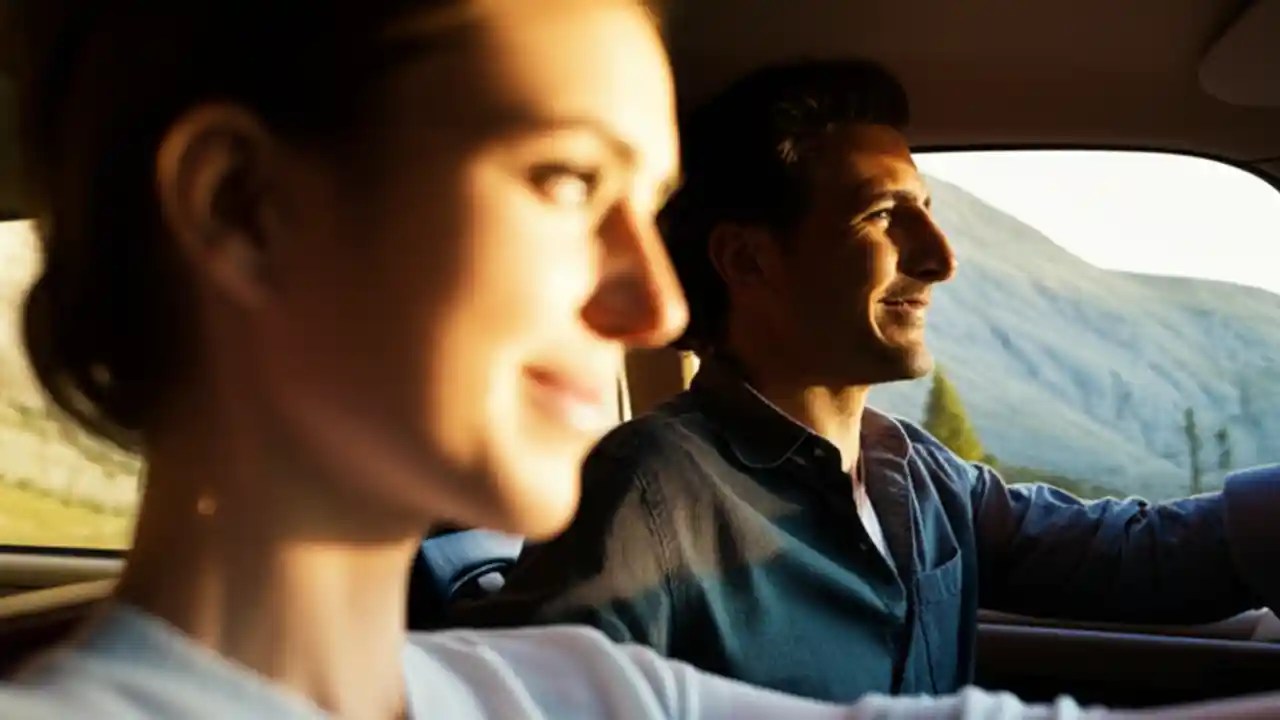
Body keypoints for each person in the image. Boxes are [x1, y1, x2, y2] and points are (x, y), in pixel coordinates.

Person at [0, 2, 1125, 718]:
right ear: (243, 208)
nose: (657, 305)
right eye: (567, 182)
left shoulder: (570, 691)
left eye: (646, 204)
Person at [449, 58, 1280, 704]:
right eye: (882, 215)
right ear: (748, 258)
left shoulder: (917, 476)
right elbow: (519, 696)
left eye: (925, 208)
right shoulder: (647, 491)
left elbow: (1146, 561)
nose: (939, 257)